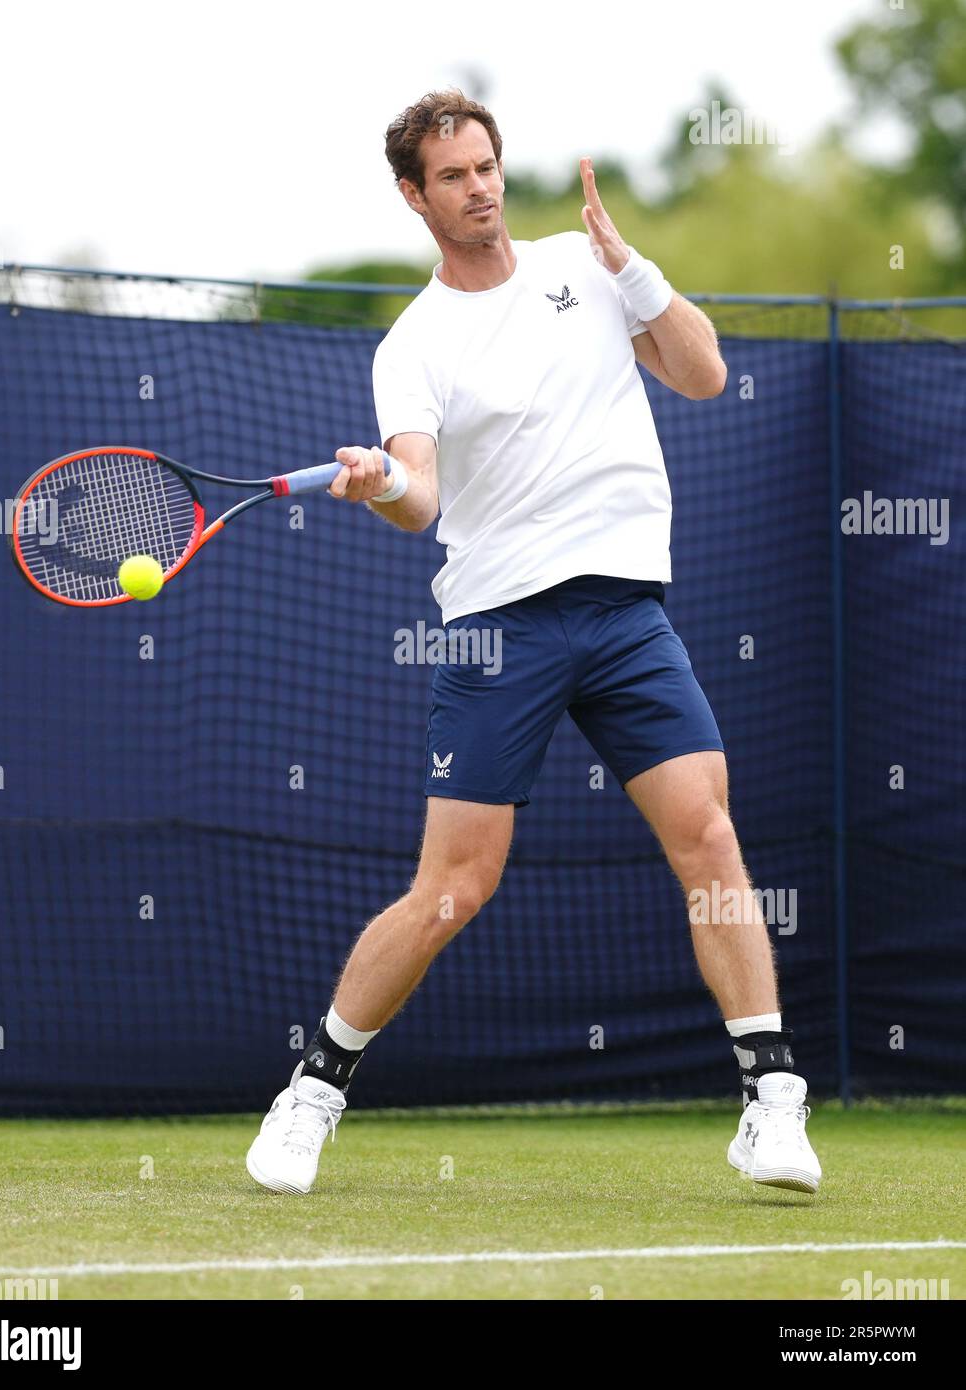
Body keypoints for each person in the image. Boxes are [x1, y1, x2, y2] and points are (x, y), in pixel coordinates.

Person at [246, 89, 821, 1197]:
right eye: (454, 176)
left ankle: (770, 1096)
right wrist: (380, 483)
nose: (482, 189)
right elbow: (418, 496)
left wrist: (634, 268)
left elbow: (701, 374)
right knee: (454, 886)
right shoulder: (414, 344)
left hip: (625, 615)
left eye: (488, 167)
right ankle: (311, 1093)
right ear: (414, 195)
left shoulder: (585, 265)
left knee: (708, 834)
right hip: (500, 627)